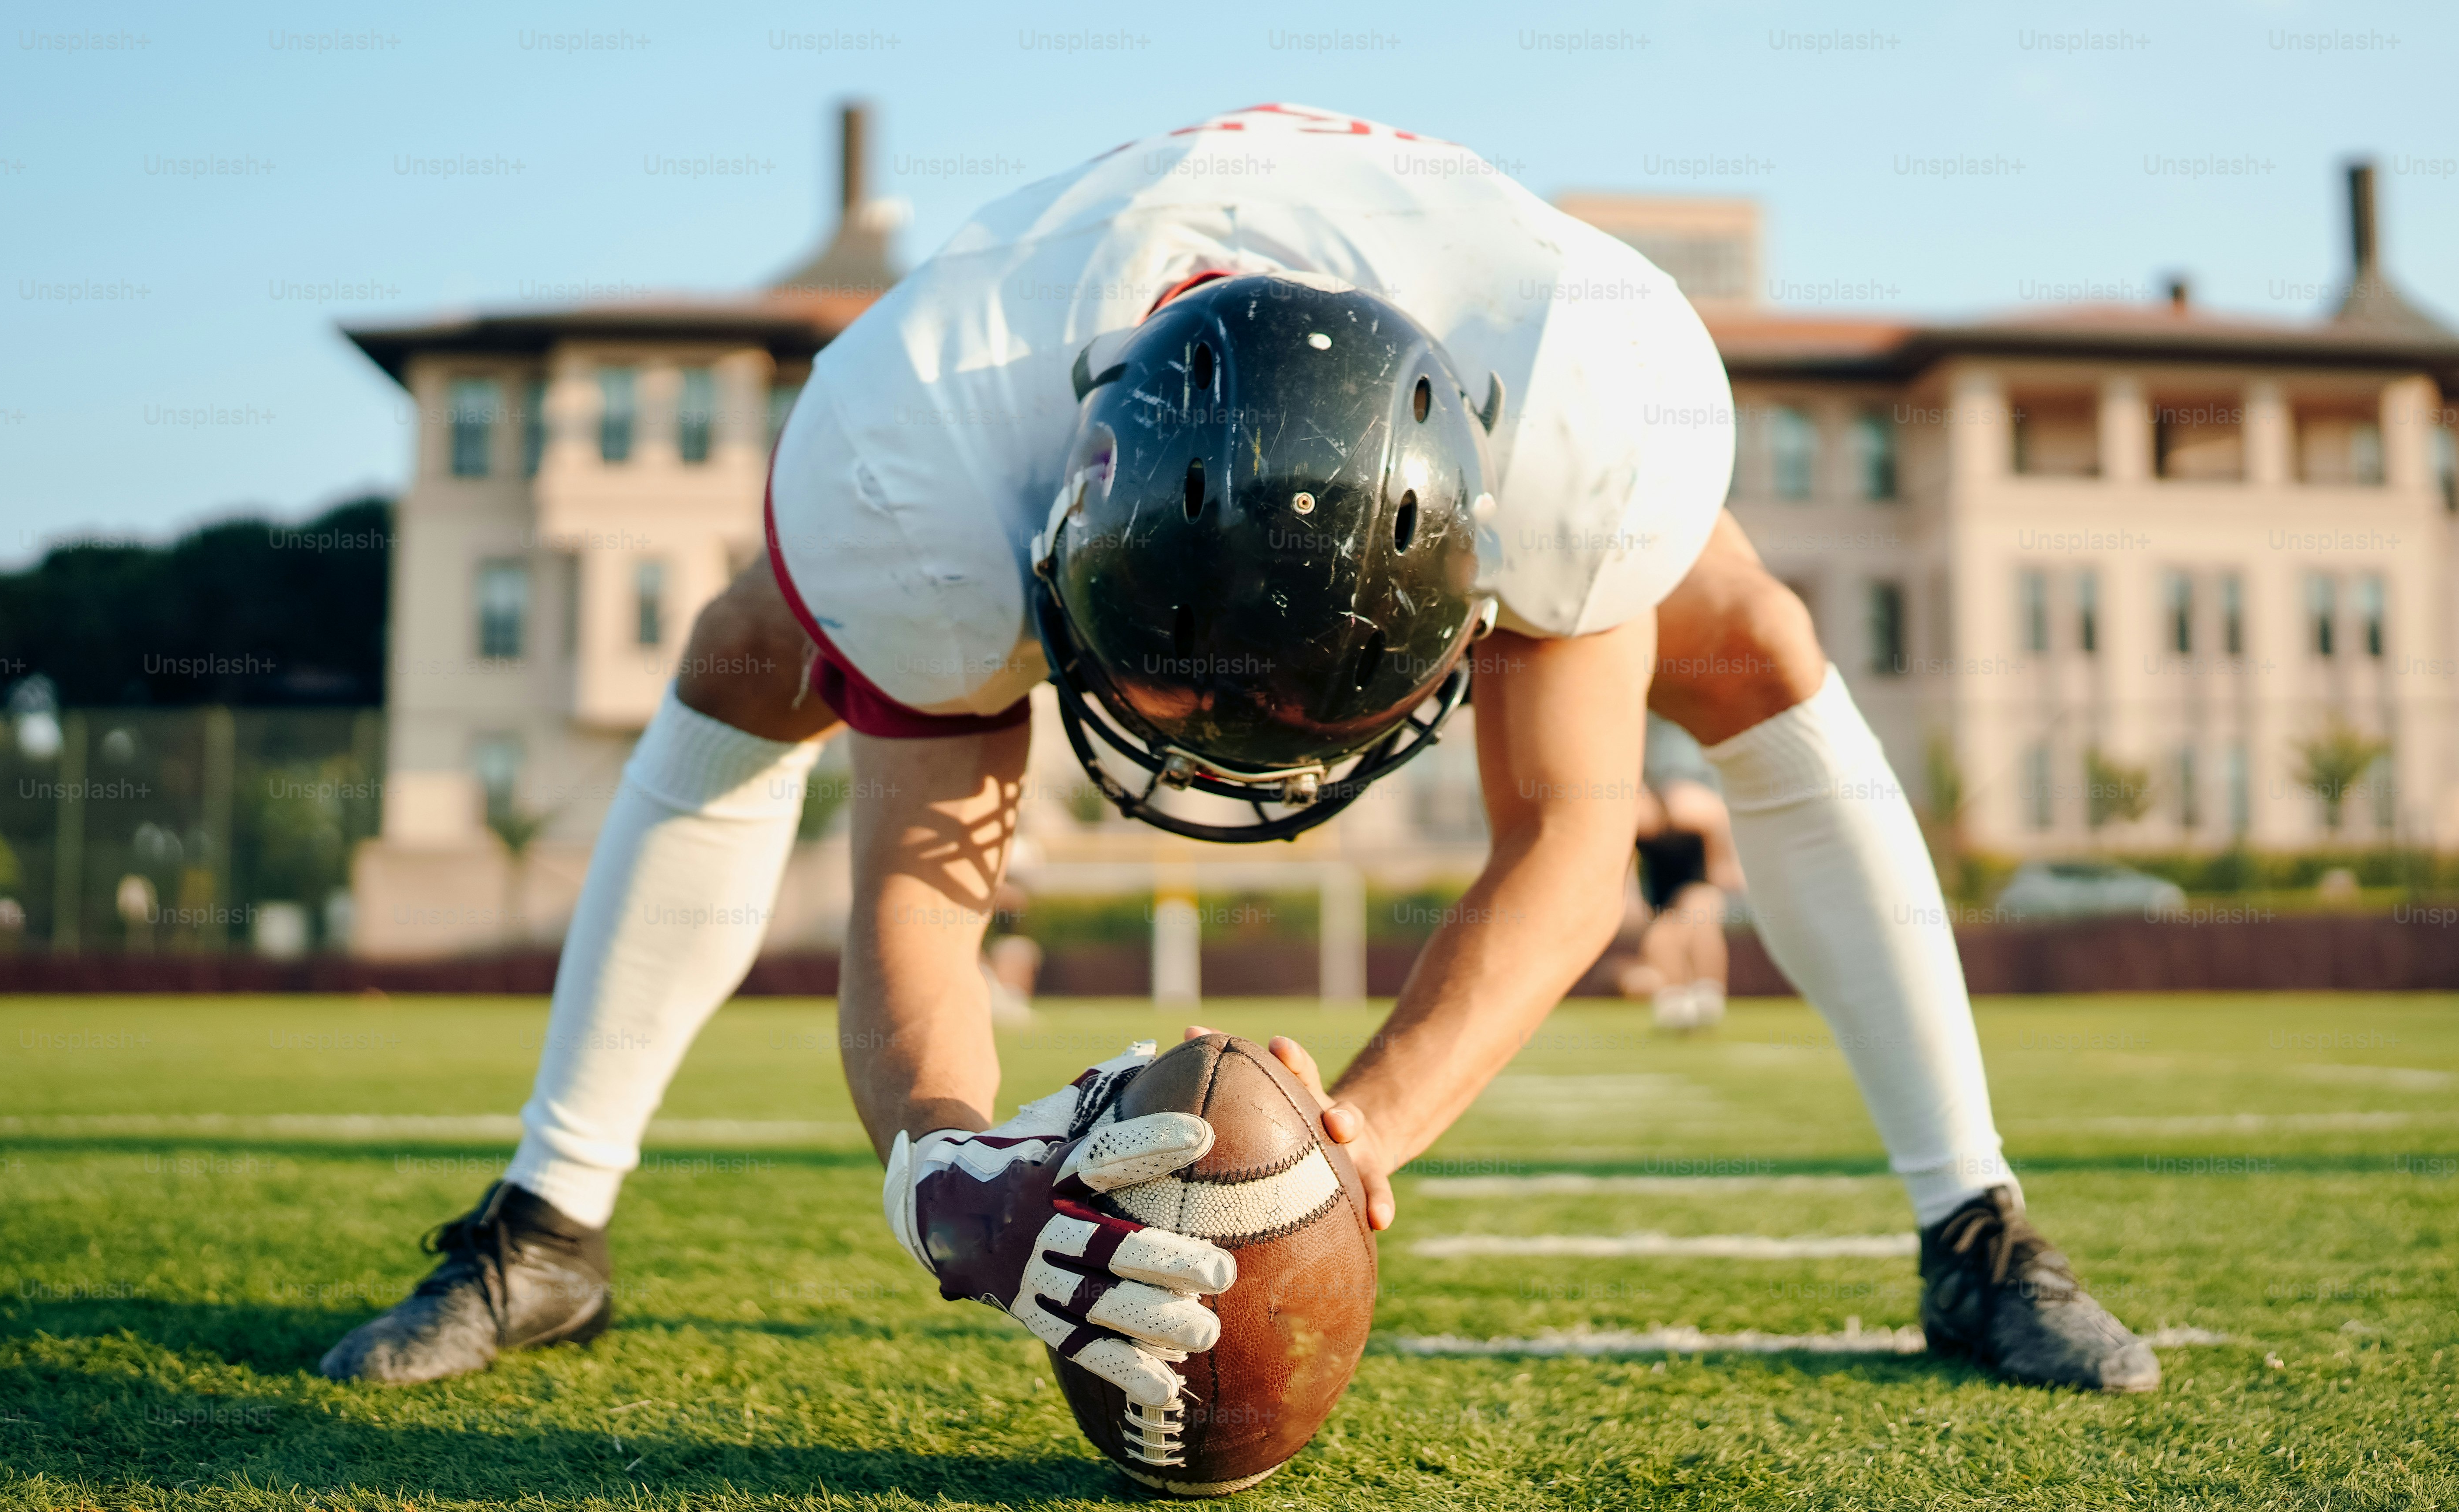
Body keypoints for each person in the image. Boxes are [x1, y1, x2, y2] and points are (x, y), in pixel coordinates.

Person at [320, 104, 2157, 1399]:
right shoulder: (925, 463)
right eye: (1194, 684)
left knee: (1752, 643)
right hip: (1052, 330)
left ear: (1469, 570)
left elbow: (1569, 820)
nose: (1245, 746)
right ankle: (550, 1217)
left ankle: (1976, 1221)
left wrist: (1361, 1141)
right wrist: (946, 1182)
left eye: (1307, 693)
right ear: (1065, 547)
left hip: (1451, 301)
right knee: (747, 650)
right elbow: (918, 893)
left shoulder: (1579, 395)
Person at [1620, 774, 1744, 1031]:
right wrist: (1632, 898)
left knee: (1700, 925)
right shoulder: (1632, 826)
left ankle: (1709, 994)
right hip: (1662, 894)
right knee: (1660, 940)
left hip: (1699, 885)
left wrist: (1725, 866)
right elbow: (1629, 868)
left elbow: (1718, 832)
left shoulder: (1695, 814)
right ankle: (1674, 997)